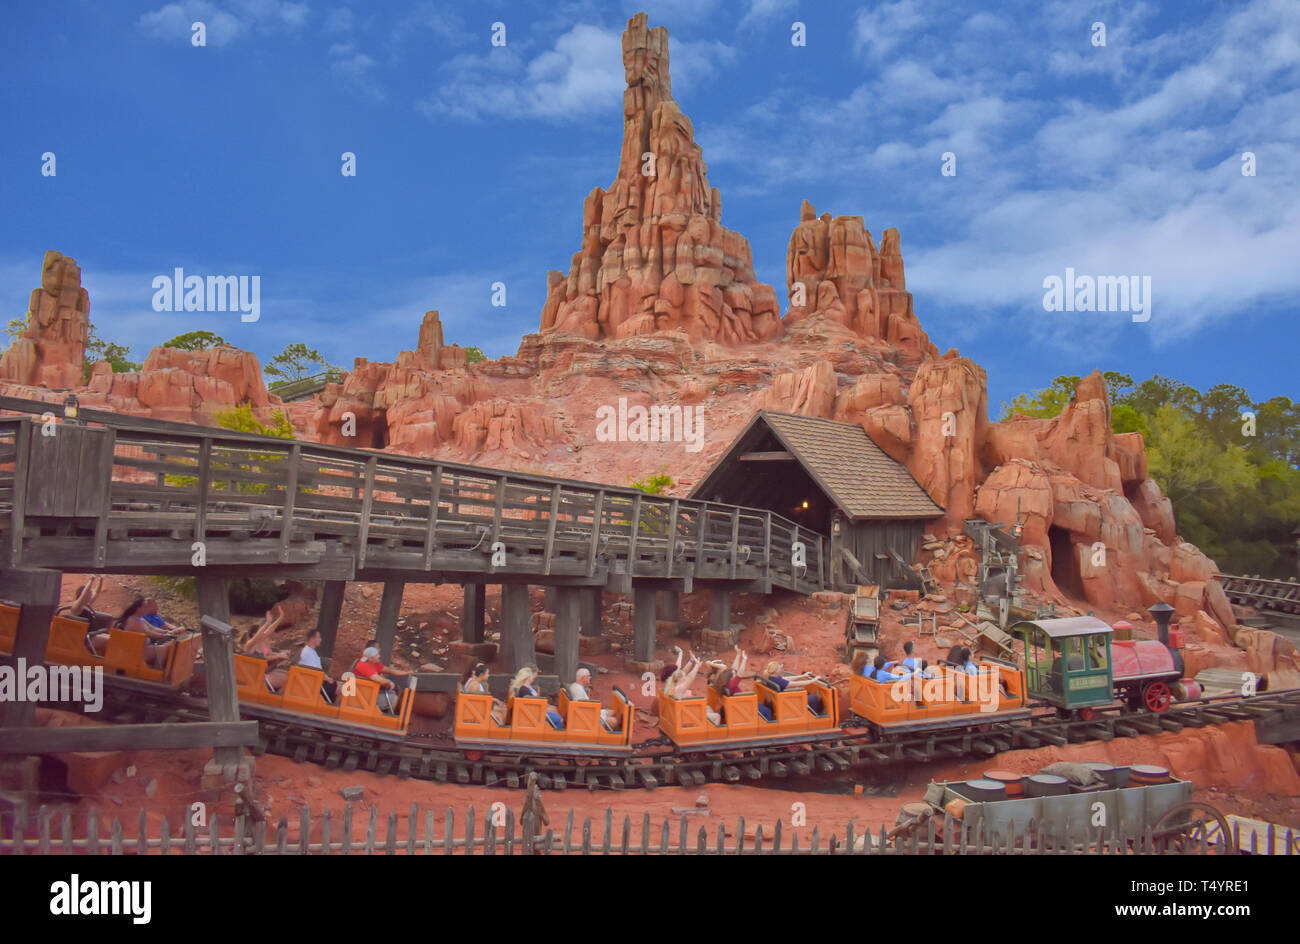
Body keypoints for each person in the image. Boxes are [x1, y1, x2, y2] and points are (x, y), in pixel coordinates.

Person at [115, 597, 179, 668]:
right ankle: (157, 671)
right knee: (162, 649)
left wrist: (168, 632)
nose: (147, 608)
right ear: (138, 608)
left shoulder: (140, 619)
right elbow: (149, 633)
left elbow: (153, 628)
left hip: (142, 647)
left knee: (170, 645)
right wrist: (164, 635)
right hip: (133, 651)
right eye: (145, 607)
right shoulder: (133, 621)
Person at [65, 577, 111, 654]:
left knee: (116, 639)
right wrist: (91, 580)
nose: (91, 595)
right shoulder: (76, 608)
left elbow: (96, 593)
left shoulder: (87, 605)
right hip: (87, 639)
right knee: (113, 642)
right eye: (89, 593)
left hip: (94, 635)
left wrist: (101, 580)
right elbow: (84, 595)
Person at [357, 647, 407, 713]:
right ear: (371, 658)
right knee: (395, 699)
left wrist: (408, 672)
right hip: (363, 697)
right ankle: (389, 718)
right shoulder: (365, 666)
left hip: (368, 691)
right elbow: (379, 679)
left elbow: (391, 671)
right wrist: (389, 682)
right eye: (377, 655)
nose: (379, 656)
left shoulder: (371, 662)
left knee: (393, 692)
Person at [298, 629, 337, 700]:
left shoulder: (312, 651)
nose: (320, 639)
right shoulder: (307, 652)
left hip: (316, 678)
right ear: (313, 639)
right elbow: (314, 671)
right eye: (319, 637)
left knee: (334, 683)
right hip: (311, 681)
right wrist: (328, 679)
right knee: (333, 685)